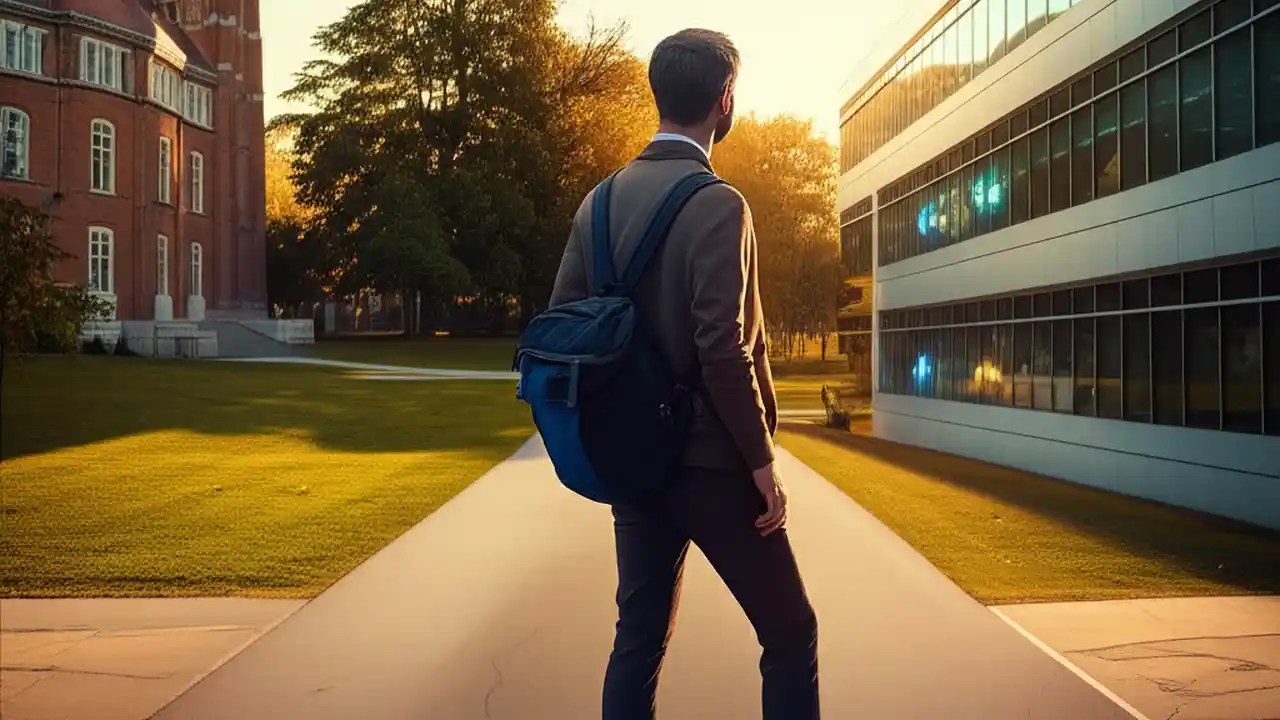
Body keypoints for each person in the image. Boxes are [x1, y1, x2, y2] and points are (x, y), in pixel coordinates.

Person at [547, 28, 820, 720]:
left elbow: (563, 324)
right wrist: (761, 465)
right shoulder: (720, 204)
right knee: (790, 633)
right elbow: (722, 349)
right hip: (713, 465)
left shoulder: (597, 203)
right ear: (724, 101)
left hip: (632, 462)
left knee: (636, 641)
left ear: (658, 93)